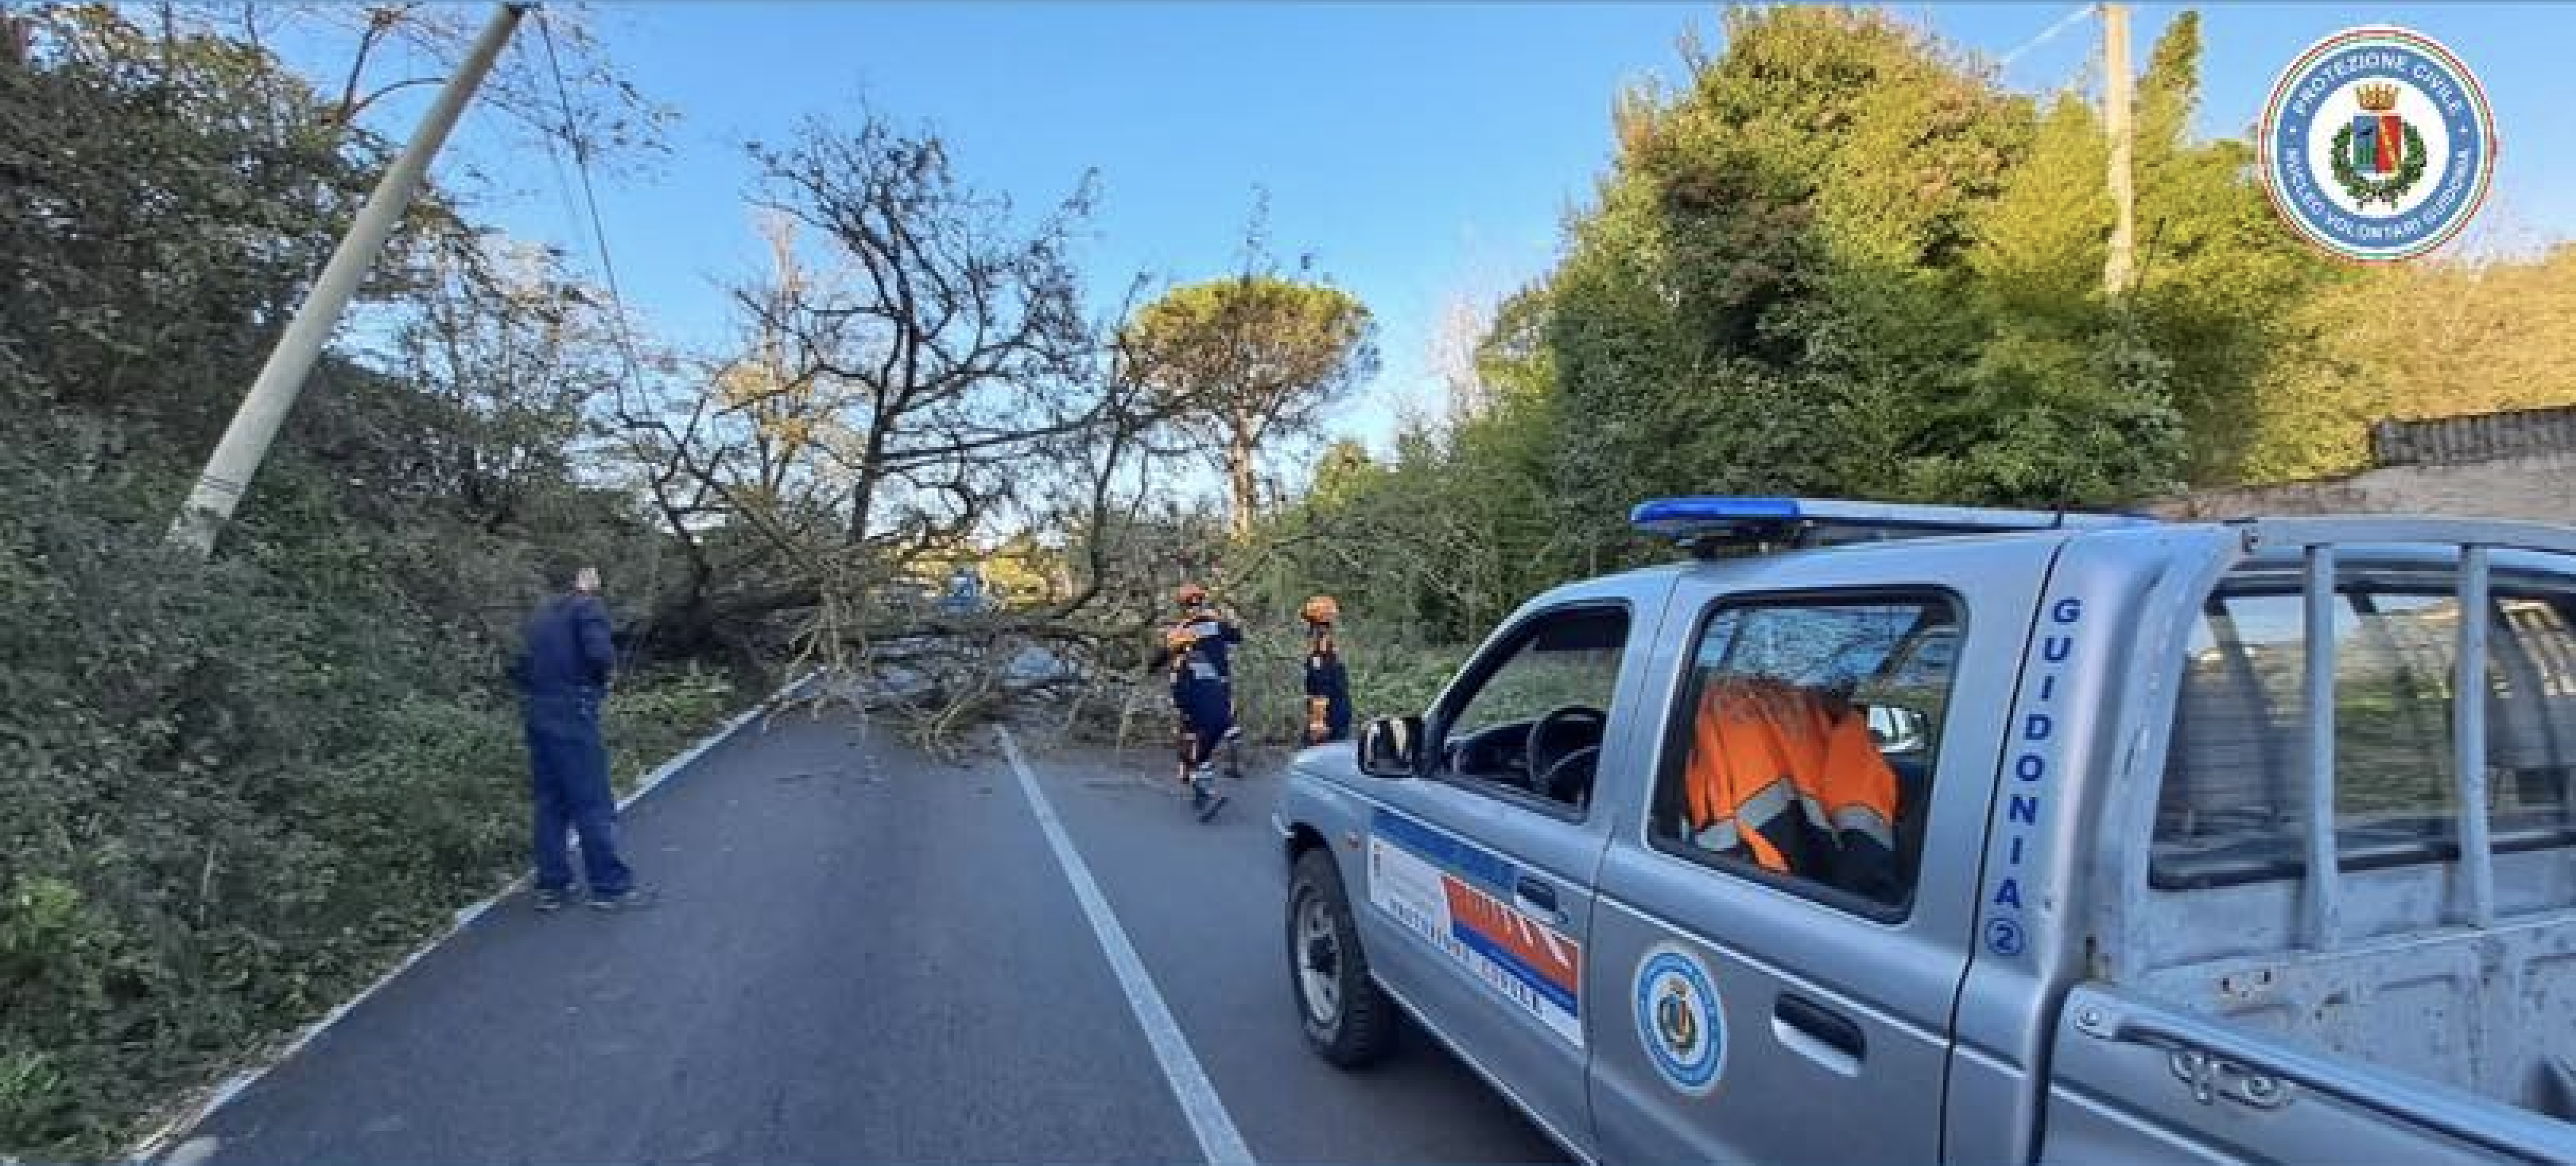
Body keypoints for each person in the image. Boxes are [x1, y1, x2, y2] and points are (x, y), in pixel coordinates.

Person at [510, 564, 651, 911]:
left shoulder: (538, 616)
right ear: (579, 578)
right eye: (591, 573)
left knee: (550, 800)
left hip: (538, 708)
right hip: (574, 708)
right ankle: (610, 887)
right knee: (592, 799)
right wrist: (601, 679)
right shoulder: (586, 607)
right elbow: (600, 654)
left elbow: (519, 663)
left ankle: (553, 886)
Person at [1149, 582, 1243, 819]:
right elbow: (1237, 637)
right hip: (1210, 686)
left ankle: (1195, 775)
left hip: (1195, 688)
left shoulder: (1181, 630)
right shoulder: (1214, 624)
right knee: (1213, 727)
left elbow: (1158, 661)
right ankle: (1201, 775)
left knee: (1194, 732)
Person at [1300, 594, 1352, 744]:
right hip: (1338, 710)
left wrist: (1318, 723)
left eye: (1307, 621)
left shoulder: (1321, 649)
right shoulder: (1328, 644)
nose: (1304, 625)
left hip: (1330, 716)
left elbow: (1320, 686)